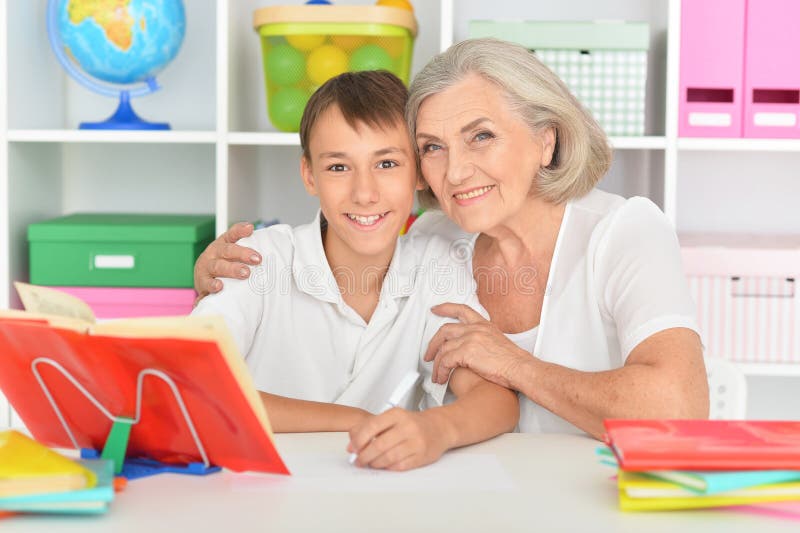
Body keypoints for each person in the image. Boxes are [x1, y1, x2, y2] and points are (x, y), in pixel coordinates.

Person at [194, 39, 709, 440]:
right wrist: (206, 287)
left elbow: (678, 411)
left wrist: (515, 364)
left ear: (545, 140)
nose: (456, 171)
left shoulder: (625, 231)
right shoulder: (439, 239)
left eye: (481, 135)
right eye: (433, 147)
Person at [191, 70, 518, 471]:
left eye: (386, 163)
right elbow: (190, 385)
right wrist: (354, 419)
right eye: (339, 168)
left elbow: (496, 400)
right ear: (309, 175)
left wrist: (437, 429)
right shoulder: (256, 260)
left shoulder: (437, 267)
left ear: (418, 173)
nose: (365, 193)